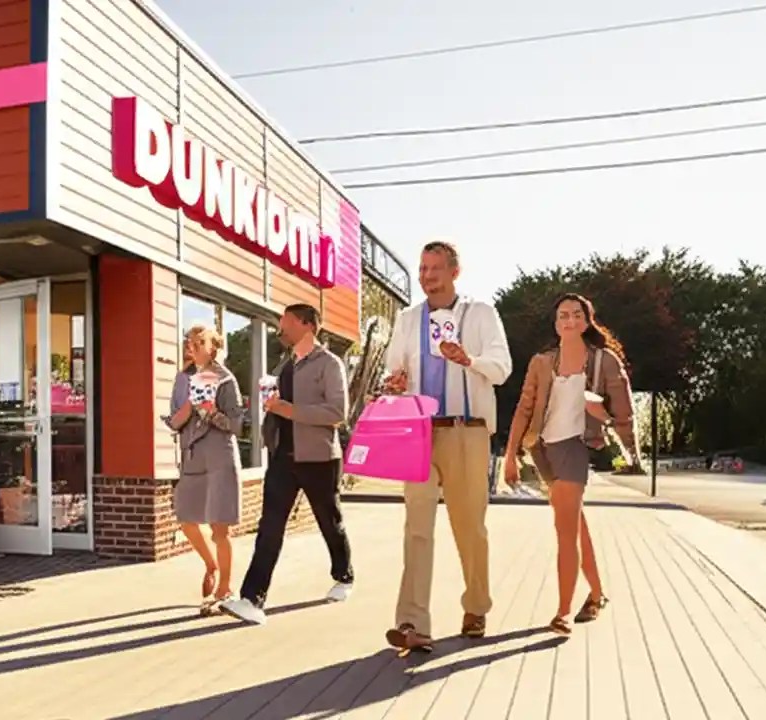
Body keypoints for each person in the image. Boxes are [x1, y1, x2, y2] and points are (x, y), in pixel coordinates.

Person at [380, 240, 512, 653]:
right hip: (417, 430)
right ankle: (412, 621)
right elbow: (392, 367)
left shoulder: (481, 313)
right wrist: (394, 381)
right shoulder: (408, 319)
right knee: (416, 528)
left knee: (469, 526)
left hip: (467, 430)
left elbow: (503, 369)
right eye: (422, 268)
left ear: (455, 272)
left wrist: (468, 360)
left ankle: (476, 606)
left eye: (435, 268)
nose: (426, 276)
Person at [503, 293, 639, 635]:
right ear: (556, 323)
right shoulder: (541, 362)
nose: (570, 321)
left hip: (575, 447)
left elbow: (622, 415)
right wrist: (511, 455)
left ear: (587, 320)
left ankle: (562, 612)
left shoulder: (604, 362)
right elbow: (524, 408)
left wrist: (607, 422)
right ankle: (597, 594)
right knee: (575, 524)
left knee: (564, 531)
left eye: (577, 315)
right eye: (563, 315)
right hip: (542, 448)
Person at [221, 303, 353, 625]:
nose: (281, 328)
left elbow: (338, 413)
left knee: (330, 522)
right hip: (282, 458)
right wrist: (271, 413)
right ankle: (252, 599)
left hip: (319, 459)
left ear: (306, 324)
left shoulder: (329, 364)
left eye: (286, 322)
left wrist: (289, 410)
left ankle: (344, 575)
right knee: (270, 527)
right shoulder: (284, 365)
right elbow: (277, 409)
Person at [165, 325, 244, 612]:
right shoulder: (182, 379)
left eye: (199, 342)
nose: (192, 346)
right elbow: (174, 422)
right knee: (186, 519)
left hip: (220, 459)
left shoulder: (226, 379)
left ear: (213, 348)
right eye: (190, 342)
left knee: (219, 528)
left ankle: (224, 588)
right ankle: (211, 564)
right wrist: (189, 406)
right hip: (193, 459)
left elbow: (236, 425)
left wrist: (211, 412)